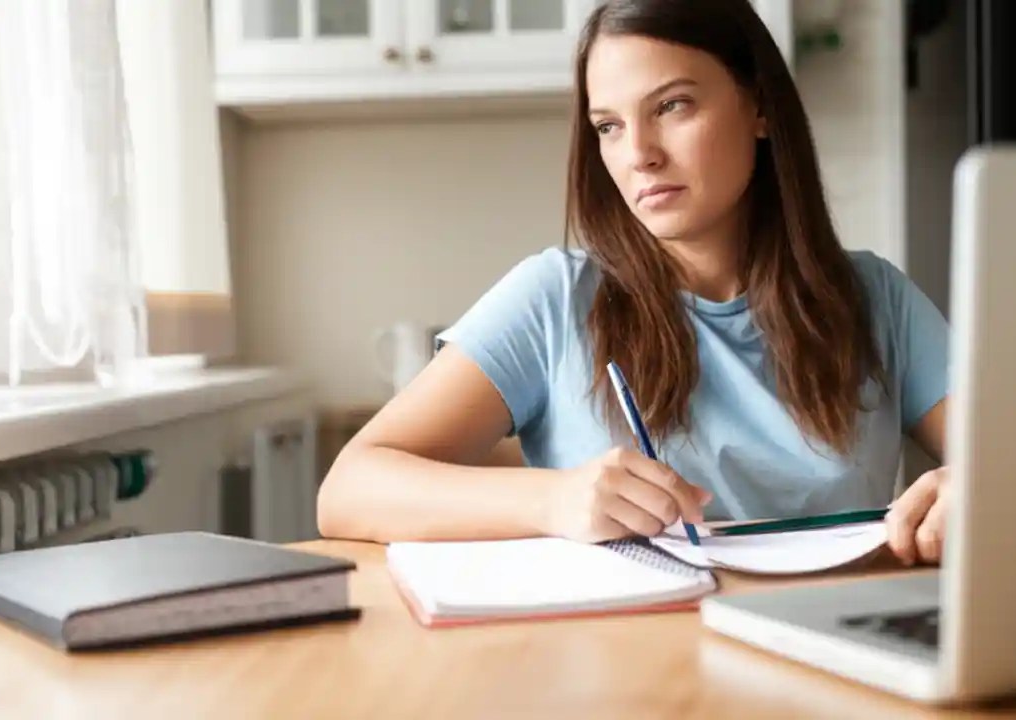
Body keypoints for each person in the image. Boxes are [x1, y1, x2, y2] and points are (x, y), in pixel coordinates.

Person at [317, 0, 950, 566]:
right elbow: (349, 488)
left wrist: (978, 486)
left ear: (758, 106)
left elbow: (1014, 463)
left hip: (831, 656)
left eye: (672, 106)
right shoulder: (554, 299)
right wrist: (553, 499)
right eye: (609, 127)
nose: (639, 153)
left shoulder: (877, 299)